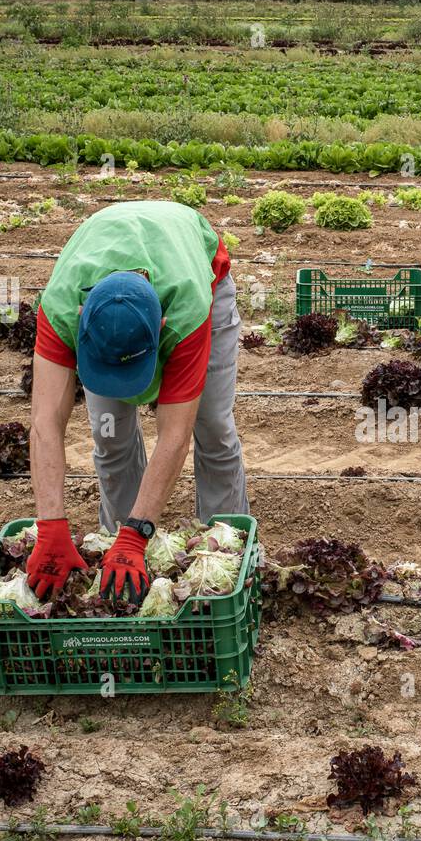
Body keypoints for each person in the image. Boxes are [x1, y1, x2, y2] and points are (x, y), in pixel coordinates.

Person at [25, 200, 247, 603]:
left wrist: (139, 533)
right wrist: (50, 526)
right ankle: (115, 552)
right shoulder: (61, 309)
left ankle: (224, 544)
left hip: (194, 271)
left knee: (212, 426)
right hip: (105, 284)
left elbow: (174, 434)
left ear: (162, 328)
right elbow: (45, 424)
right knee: (110, 436)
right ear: (80, 322)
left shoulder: (186, 310)